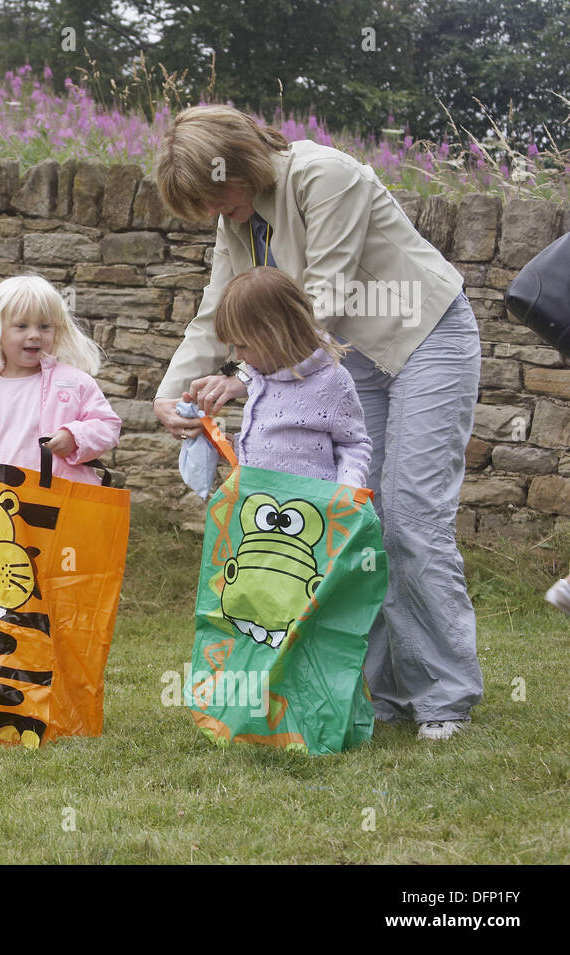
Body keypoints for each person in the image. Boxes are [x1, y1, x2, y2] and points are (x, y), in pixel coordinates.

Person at [151, 104, 481, 741]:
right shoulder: (239, 216)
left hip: (423, 338)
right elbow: (217, 309)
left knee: (412, 513)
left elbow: (319, 299)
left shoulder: (326, 176)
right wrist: (171, 394)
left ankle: (445, 696)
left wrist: (243, 378)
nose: (218, 213)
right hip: (343, 358)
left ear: (243, 162)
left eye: (219, 193)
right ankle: (383, 692)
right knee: (354, 514)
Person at [0, 274, 121, 483]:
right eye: (21, 326)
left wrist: (75, 437)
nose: (35, 334)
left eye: (44, 326)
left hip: (62, 504)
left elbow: (108, 426)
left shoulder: (75, 383)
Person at [204, 267, 372, 488]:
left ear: (277, 335)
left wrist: (348, 494)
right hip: (264, 507)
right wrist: (236, 447)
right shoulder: (260, 378)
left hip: (312, 510)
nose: (238, 356)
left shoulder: (332, 381)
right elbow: (278, 443)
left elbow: (354, 444)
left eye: (242, 346)